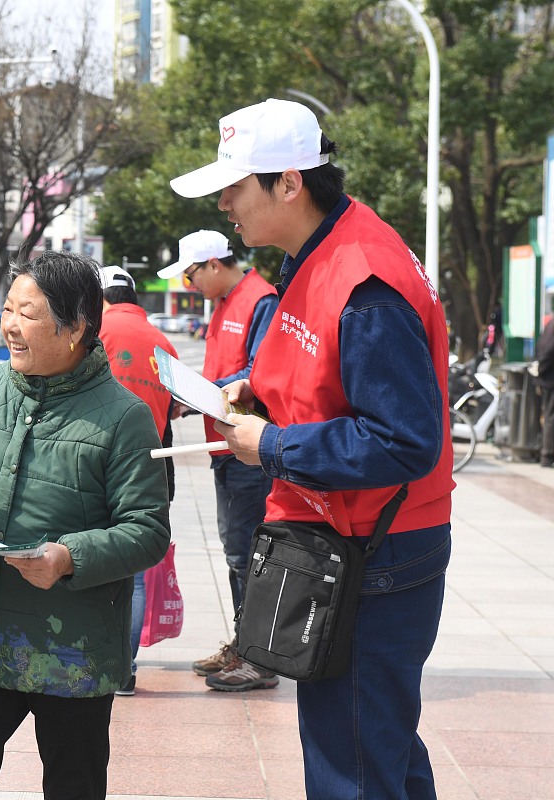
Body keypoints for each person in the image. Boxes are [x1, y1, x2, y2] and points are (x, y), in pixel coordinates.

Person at [170, 98, 454, 798]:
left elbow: (403, 439)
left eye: (234, 187)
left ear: (289, 182)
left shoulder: (365, 279)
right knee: (375, 743)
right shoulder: (313, 254)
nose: (226, 206)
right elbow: (319, 376)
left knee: (351, 760)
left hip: (374, 548)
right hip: (344, 532)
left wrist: (270, 443)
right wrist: (251, 394)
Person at [0, 250, 171, 800]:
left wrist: (69, 557)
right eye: (7, 309)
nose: (9, 325)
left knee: (73, 787)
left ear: (76, 327)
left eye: (27, 313)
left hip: (72, 651)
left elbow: (147, 530)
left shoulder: (123, 417)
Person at [157, 230, 279, 692]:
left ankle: (258, 658)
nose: (190, 286)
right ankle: (243, 644)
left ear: (212, 264)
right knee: (236, 554)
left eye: (191, 275)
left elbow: (261, 373)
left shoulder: (260, 300)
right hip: (225, 446)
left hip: (248, 450)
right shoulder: (227, 303)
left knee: (246, 554)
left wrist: (196, 397)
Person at [96, 264, 177, 696]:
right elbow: (175, 409)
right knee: (137, 570)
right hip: (151, 462)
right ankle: (125, 670)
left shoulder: (95, 331)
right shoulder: (164, 342)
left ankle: (92, 657)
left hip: (98, 460)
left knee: (89, 555)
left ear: (102, 297)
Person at [538, 315, 554, 467]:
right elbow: (548, 351)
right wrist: (541, 370)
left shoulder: (550, 324)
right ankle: (547, 456)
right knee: (550, 416)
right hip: (550, 379)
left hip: (548, 377)